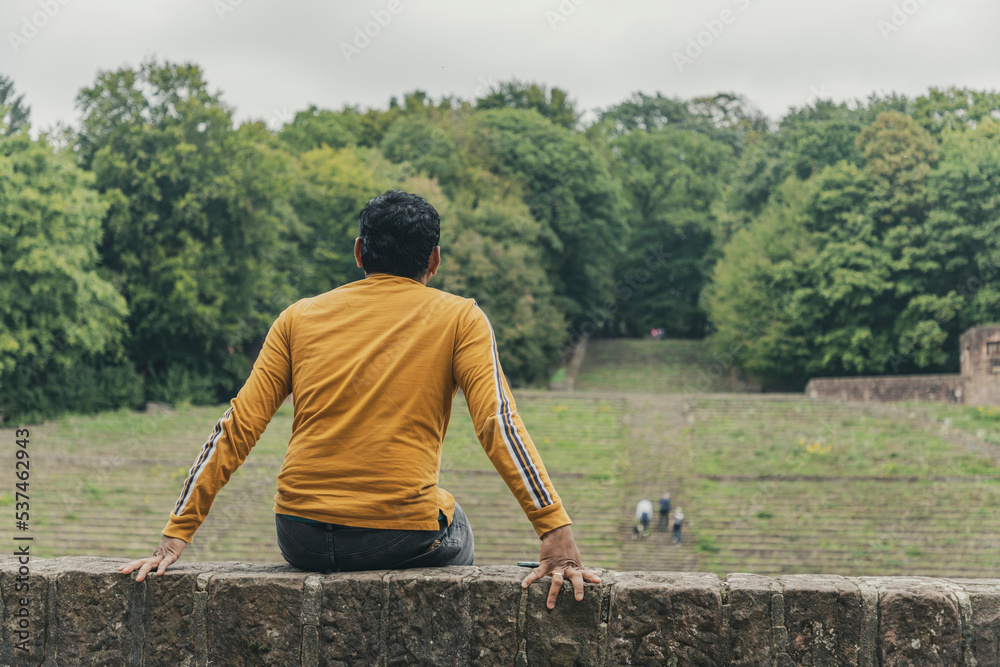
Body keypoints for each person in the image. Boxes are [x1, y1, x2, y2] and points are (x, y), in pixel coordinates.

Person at [119, 190, 600, 609]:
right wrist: (553, 530)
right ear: (433, 260)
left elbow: (237, 426)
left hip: (299, 535)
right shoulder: (462, 318)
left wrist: (175, 534)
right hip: (398, 536)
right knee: (458, 525)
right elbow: (498, 424)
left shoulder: (297, 318)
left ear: (358, 252)